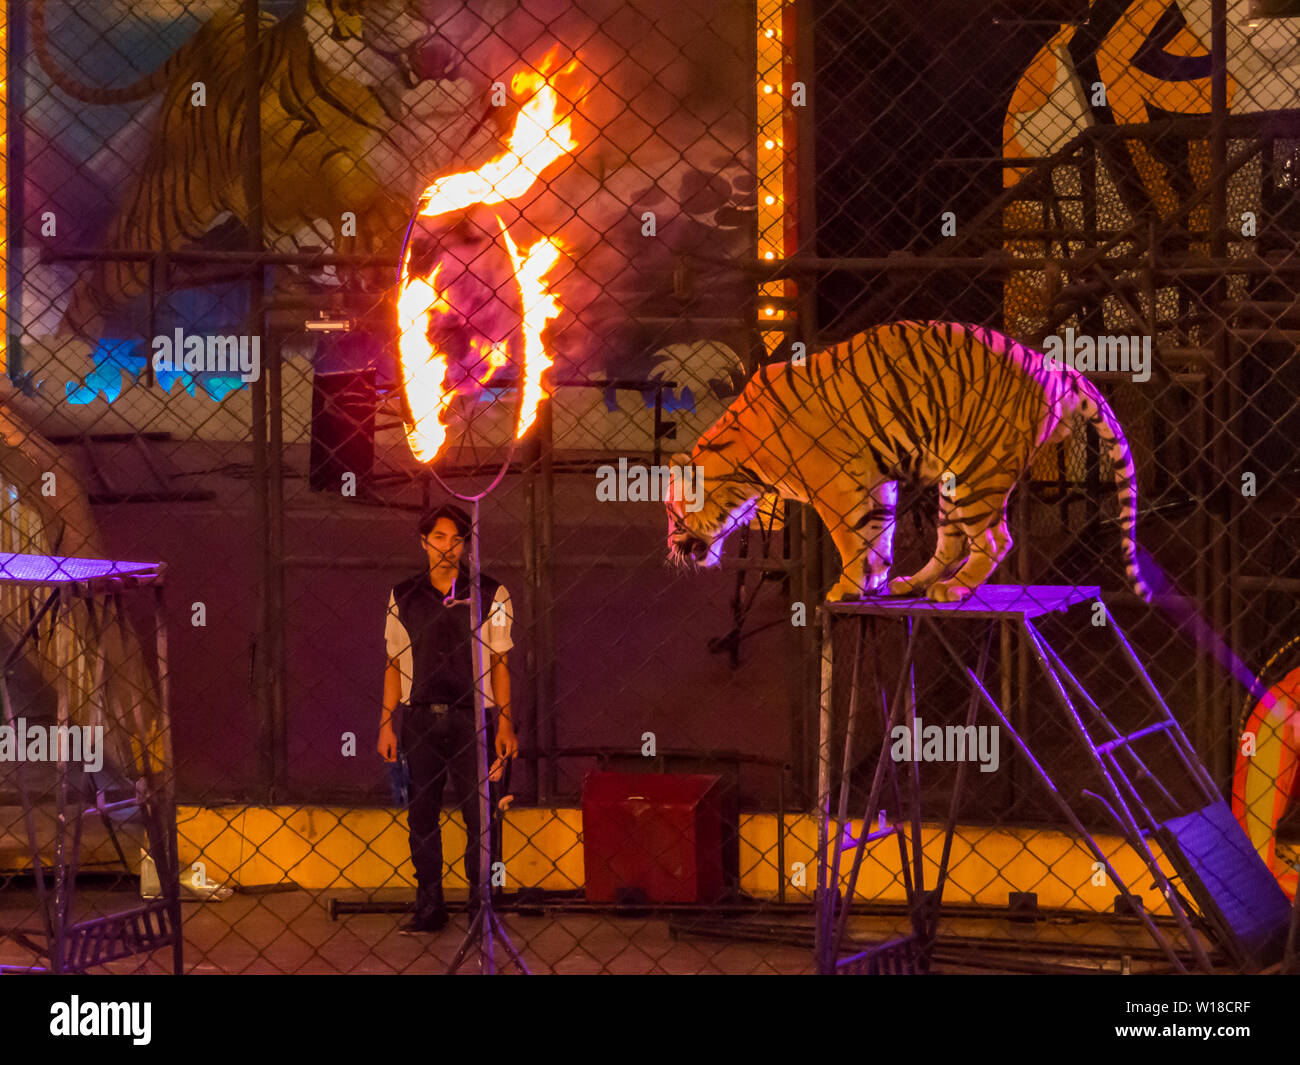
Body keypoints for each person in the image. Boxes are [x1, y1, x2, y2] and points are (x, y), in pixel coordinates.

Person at [378, 503, 518, 933]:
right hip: (419, 718)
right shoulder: (403, 596)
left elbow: (500, 661)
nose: (447, 547)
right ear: (423, 542)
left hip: (473, 720)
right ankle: (430, 905)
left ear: (465, 544)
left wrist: (507, 722)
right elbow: (394, 663)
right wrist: (386, 723)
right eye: (439, 538)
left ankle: (482, 905)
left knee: (482, 818)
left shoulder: (491, 593)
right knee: (421, 815)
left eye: (456, 539)